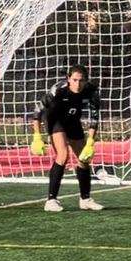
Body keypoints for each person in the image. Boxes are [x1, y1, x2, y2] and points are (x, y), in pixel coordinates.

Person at [31, 65, 103, 212]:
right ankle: (51, 201)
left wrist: (90, 142)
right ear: (68, 79)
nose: (78, 84)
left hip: (72, 120)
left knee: (84, 159)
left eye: (81, 81)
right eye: (75, 80)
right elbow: (38, 111)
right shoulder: (58, 89)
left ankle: (85, 199)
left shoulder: (92, 92)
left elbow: (94, 119)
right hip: (54, 120)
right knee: (63, 155)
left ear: (86, 81)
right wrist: (37, 136)